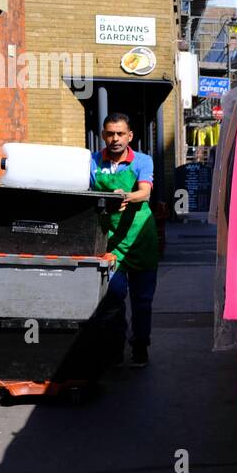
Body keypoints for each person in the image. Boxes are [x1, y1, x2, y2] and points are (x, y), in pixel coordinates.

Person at [90, 113, 159, 368]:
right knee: (113, 298)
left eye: (120, 134)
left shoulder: (142, 160)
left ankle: (140, 347)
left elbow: (145, 192)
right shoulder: (93, 162)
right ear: (103, 135)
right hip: (110, 243)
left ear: (130, 136)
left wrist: (124, 197)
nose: (115, 138)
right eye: (110, 133)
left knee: (142, 301)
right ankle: (114, 349)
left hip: (141, 239)